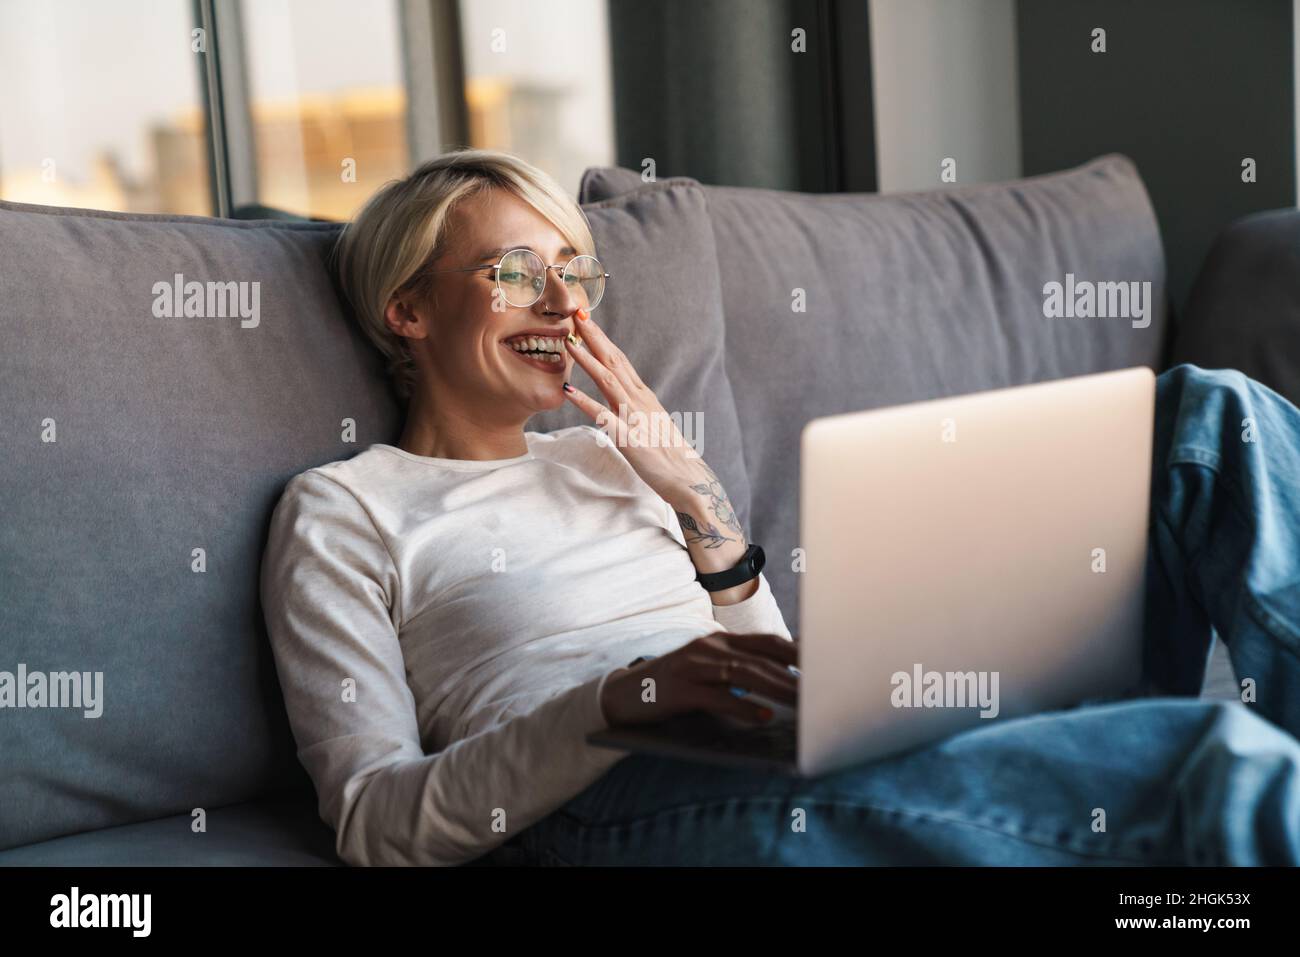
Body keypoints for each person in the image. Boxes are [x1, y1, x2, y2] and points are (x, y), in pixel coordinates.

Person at [260, 148, 1300, 867]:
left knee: (1210, 419)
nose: (567, 306)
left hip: (761, 738)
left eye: (576, 273)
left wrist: (700, 506)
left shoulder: (611, 459)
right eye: (519, 272)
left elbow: (775, 674)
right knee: (1220, 770)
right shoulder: (344, 508)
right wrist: (626, 700)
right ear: (408, 307)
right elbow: (372, 820)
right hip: (603, 797)